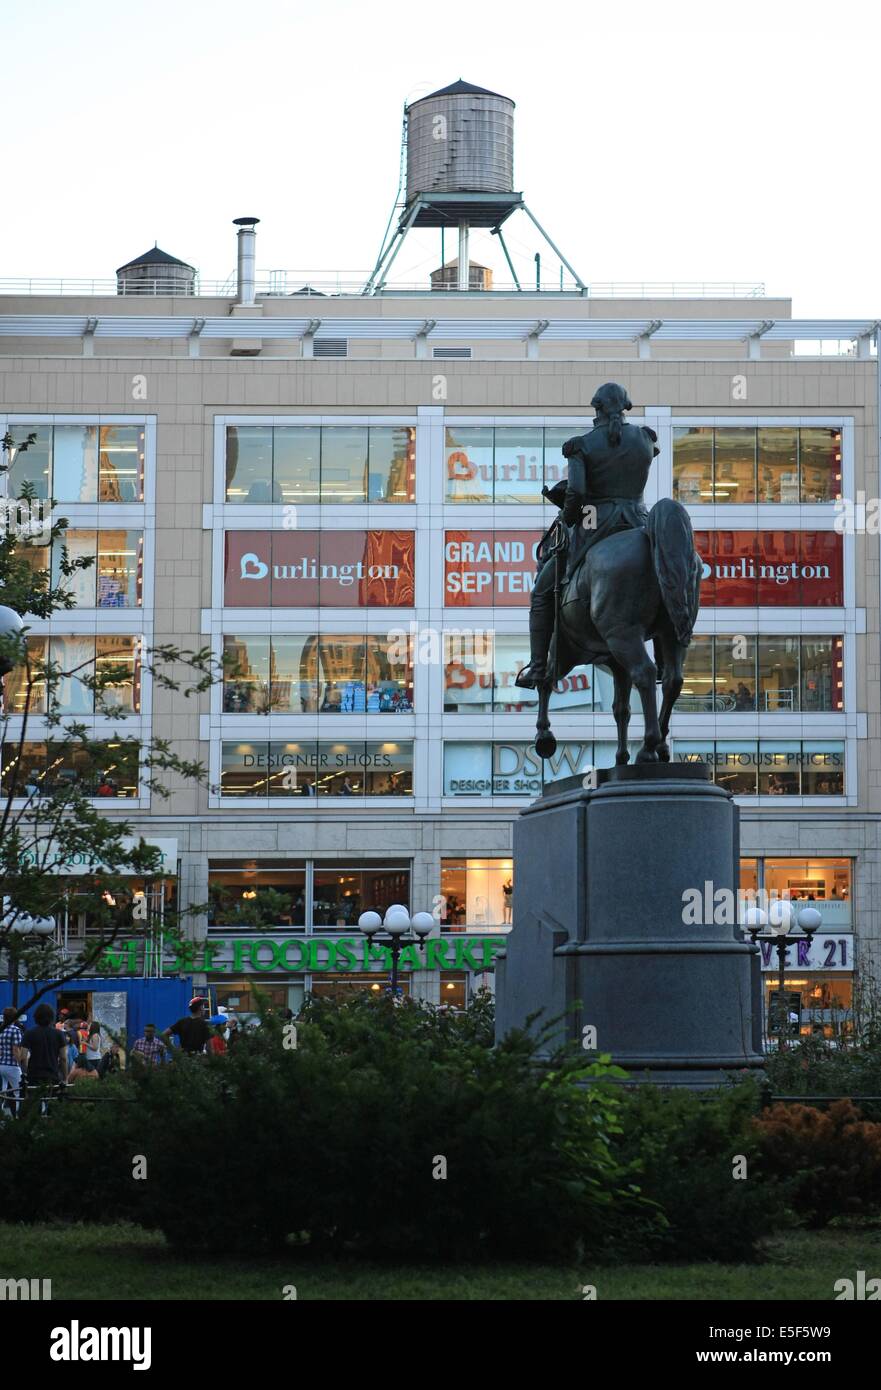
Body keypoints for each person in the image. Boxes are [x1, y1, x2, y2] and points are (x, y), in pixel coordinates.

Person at [515, 383, 659, 689]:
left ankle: (538, 666)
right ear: (624, 407)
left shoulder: (582, 445)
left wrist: (568, 515)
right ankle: (663, 654)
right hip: (638, 525)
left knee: (541, 592)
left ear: (597, 409)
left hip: (596, 528)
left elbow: (578, 492)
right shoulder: (645, 439)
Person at [21, 1002, 69, 1093]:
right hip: (52, 1075)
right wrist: (65, 1078)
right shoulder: (59, 1034)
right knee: (52, 1102)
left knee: (34, 1103)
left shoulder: (29, 1033)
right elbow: (63, 1058)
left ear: (36, 1017)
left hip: (33, 1076)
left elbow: (23, 1057)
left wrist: (26, 1073)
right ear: (52, 1017)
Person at [0, 1006, 25, 1118]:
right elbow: (16, 1050)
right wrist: (21, 1064)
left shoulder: (2, 1029)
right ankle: (18, 1117)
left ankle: (2, 1113)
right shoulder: (15, 1030)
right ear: (15, 1017)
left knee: (4, 1091)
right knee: (19, 1092)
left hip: (2, 1064)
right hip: (12, 1065)